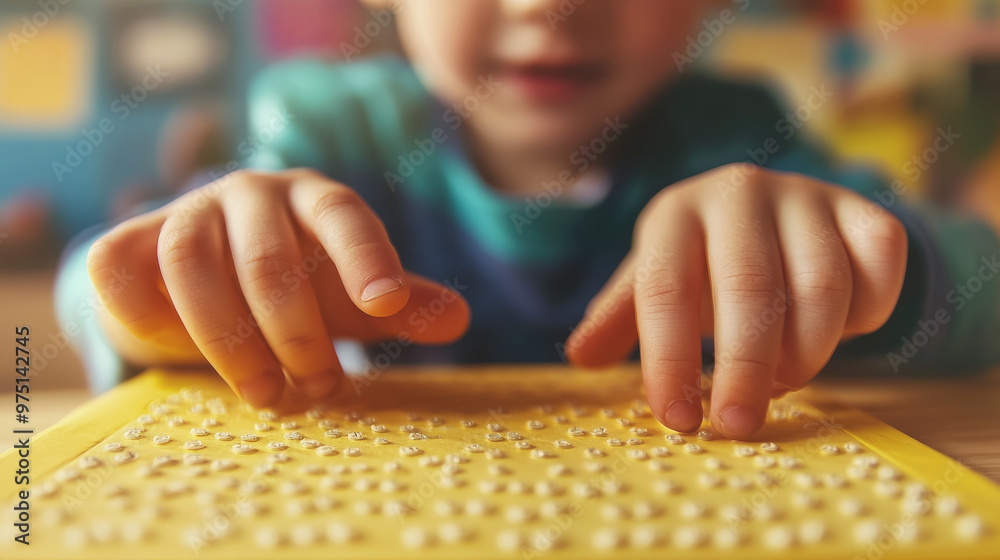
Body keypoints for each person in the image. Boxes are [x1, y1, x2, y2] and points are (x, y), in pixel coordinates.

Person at [61, 0, 1000, 440]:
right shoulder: (326, 131)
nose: (549, 6)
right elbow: (99, 279)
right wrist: (143, 297)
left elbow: (984, 289)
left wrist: (887, 265)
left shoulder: (741, 136)